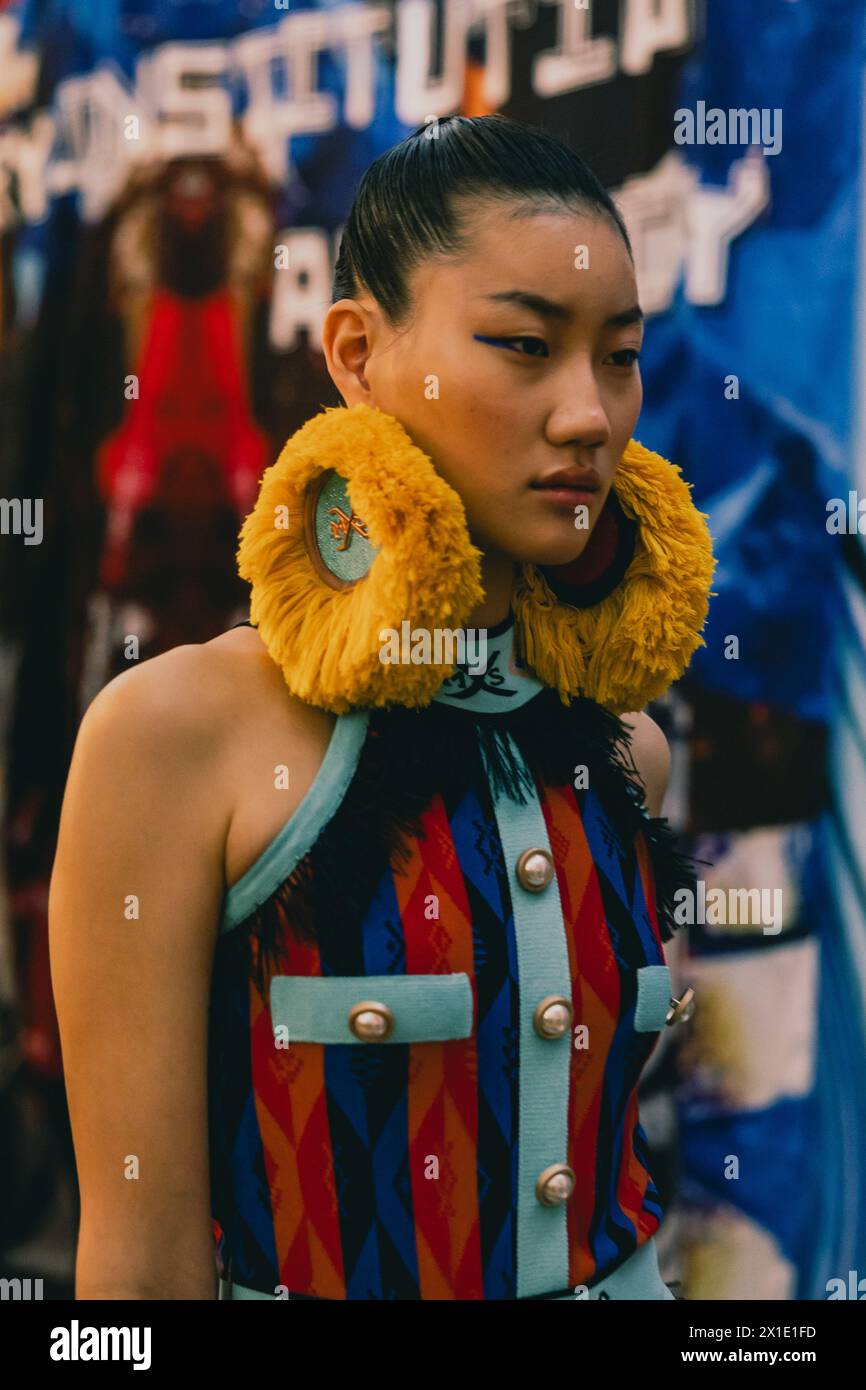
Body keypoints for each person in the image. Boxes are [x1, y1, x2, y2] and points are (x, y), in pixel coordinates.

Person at [48, 114, 713, 1300]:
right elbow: (138, 1276)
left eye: (618, 355)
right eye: (522, 344)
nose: (589, 416)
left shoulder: (624, 752)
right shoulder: (174, 738)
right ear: (355, 352)